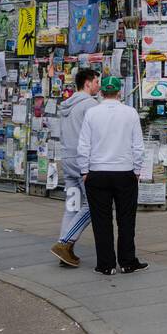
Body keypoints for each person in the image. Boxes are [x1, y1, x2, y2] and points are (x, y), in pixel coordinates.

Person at [76, 75, 146, 276]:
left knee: (101, 220)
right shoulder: (130, 113)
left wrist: (85, 171)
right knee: (126, 219)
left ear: (101, 91)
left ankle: (106, 264)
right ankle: (127, 261)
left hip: (97, 172)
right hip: (125, 172)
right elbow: (138, 147)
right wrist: (137, 170)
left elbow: (84, 145)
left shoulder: (92, 113)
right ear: (119, 91)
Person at [51, 68, 100, 267]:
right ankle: (64, 244)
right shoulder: (90, 105)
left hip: (67, 159)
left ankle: (66, 251)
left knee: (72, 207)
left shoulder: (66, 105)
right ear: (87, 83)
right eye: (97, 81)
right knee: (92, 206)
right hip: (82, 162)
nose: (99, 85)